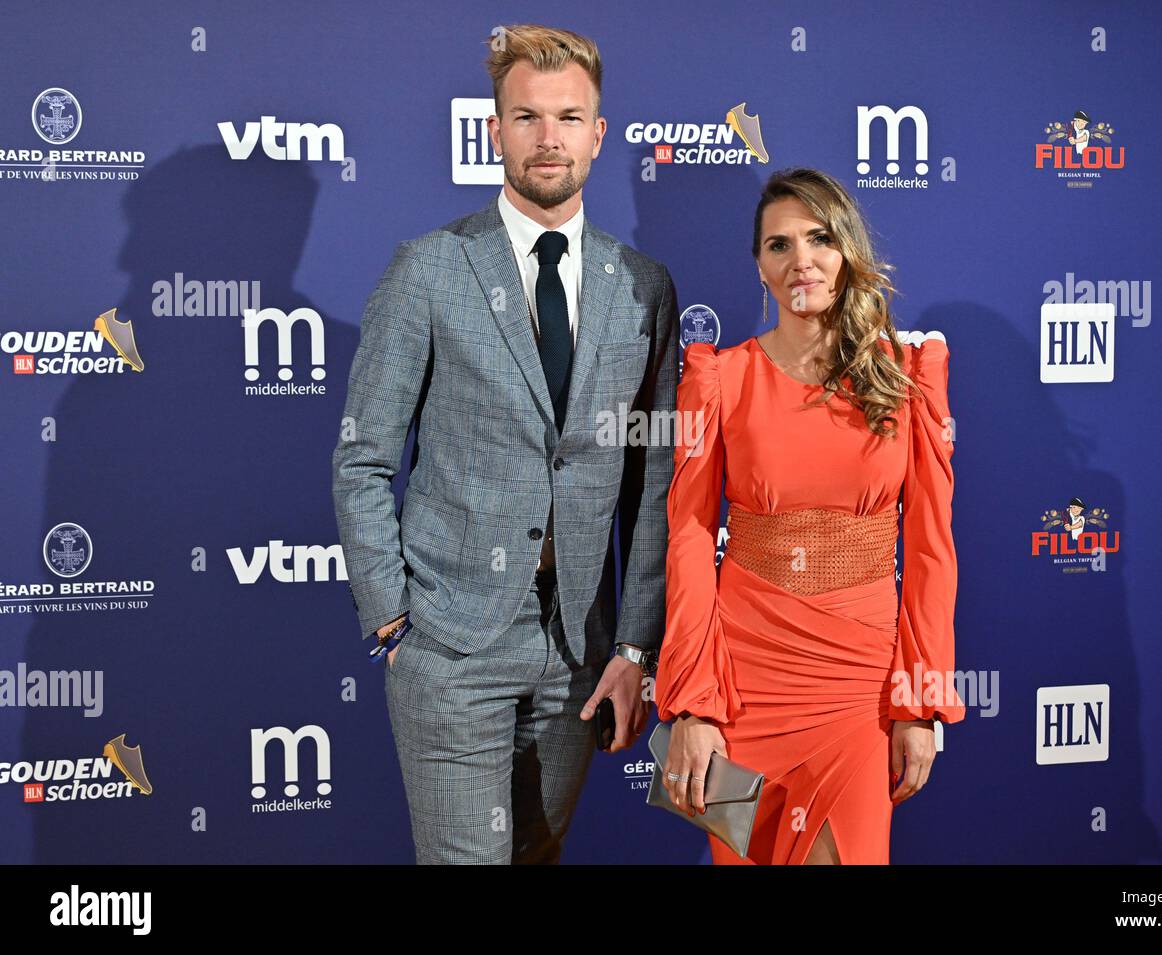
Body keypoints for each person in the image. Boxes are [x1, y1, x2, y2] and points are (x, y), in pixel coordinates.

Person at [332, 24, 678, 864]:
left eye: (568, 117)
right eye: (526, 117)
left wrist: (634, 648)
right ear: (495, 131)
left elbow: (654, 483)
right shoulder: (429, 270)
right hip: (450, 646)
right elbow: (363, 456)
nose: (548, 138)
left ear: (599, 133)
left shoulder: (641, 286)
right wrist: (393, 617)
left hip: (577, 651)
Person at [654, 167, 965, 865]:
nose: (801, 261)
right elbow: (690, 538)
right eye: (778, 245)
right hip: (744, 679)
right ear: (759, 266)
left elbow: (930, 551)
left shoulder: (910, 373)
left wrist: (917, 700)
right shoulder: (718, 379)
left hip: (858, 683)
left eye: (819, 238)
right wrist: (694, 704)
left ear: (847, 248)